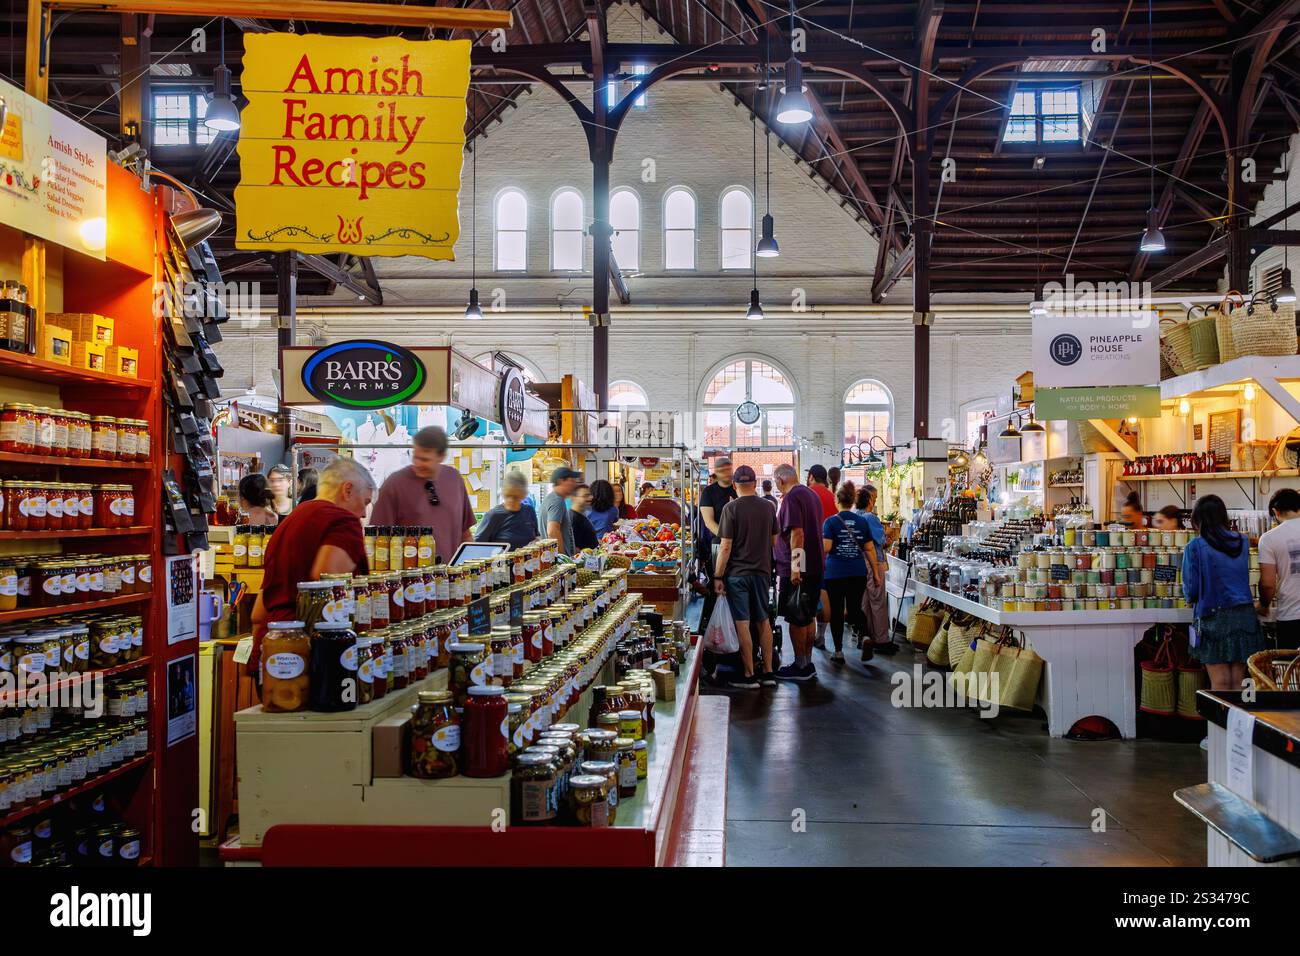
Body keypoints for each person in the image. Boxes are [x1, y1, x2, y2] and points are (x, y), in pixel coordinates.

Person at [250, 458, 375, 670]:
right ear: (347, 490)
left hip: (272, 643)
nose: (364, 513)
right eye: (365, 502)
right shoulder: (343, 522)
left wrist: (259, 654)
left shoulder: (288, 522)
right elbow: (325, 587)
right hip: (311, 651)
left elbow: (258, 612)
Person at [1182, 494, 1267, 706]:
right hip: (1245, 616)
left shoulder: (1195, 547)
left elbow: (1192, 588)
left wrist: (1190, 599)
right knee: (1240, 681)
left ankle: (1219, 736)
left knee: (1219, 681)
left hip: (1213, 617)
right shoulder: (1242, 541)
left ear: (1198, 519)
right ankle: (1239, 734)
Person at [712, 465, 780, 689]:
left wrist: (717, 575)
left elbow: (725, 547)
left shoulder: (730, 509)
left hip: (737, 575)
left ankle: (749, 675)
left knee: (743, 623)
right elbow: (774, 541)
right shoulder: (769, 507)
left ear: (734, 485)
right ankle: (768, 672)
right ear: (755, 483)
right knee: (763, 621)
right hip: (762, 572)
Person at [368, 426, 476, 564]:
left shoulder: (454, 478)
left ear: (441, 456)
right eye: (415, 457)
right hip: (411, 578)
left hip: (450, 577)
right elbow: (378, 539)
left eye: (425, 459)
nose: (418, 464)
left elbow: (465, 533)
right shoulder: (394, 484)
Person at [773, 462, 826, 681]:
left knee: (796, 618)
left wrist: (796, 568)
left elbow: (798, 534)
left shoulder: (792, 498)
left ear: (780, 480)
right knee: (808, 616)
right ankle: (808, 663)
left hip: (799, 570)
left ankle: (800, 665)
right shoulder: (811, 495)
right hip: (815, 566)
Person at [821, 481, 878, 665]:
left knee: (837, 612)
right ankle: (866, 635)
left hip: (835, 573)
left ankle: (838, 652)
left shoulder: (830, 522)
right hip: (857, 573)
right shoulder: (862, 521)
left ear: (837, 499)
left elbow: (827, 547)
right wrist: (876, 574)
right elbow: (869, 549)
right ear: (853, 500)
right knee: (854, 609)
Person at [695, 456, 737, 639]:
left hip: (740, 547)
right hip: (718, 546)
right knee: (717, 587)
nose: (727, 472)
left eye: (729, 468)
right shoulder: (709, 492)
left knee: (736, 588)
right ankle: (717, 634)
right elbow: (708, 521)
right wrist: (725, 535)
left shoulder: (739, 489)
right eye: (723, 469)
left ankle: (736, 629)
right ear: (717, 472)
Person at [855, 483, 894, 658]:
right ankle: (881, 639)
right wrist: (890, 534)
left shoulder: (854, 516)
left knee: (864, 601)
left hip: (858, 563)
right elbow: (881, 540)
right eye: (875, 498)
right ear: (869, 500)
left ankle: (866, 635)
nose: (875, 501)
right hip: (874, 561)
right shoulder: (870, 518)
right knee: (877, 600)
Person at [1258, 488, 1300, 646]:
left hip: (1291, 617)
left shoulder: (1269, 539)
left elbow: (1268, 584)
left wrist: (1263, 605)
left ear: (1275, 511)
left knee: (1289, 669)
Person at [805, 464, 836, 648]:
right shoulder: (832, 496)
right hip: (830, 552)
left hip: (811, 552)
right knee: (825, 593)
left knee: (810, 596)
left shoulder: (808, 494)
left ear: (810, 476)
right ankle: (821, 634)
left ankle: (811, 637)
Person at [475, 471, 539, 550]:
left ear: (523, 495)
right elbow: (477, 545)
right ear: (503, 493)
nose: (511, 500)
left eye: (516, 497)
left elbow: (536, 537)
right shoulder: (494, 515)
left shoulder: (529, 511)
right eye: (508, 496)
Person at [539, 466, 582, 555]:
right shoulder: (556, 500)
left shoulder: (554, 498)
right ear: (560, 481)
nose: (575, 484)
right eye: (572, 480)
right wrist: (561, 559)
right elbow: (552, 531)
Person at [570, 482, 599, 551]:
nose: (590, 498)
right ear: (574, 498)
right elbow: (574, 547)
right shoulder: (574, 518)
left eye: (589, 495)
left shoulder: (581, 515)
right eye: (585, 496)